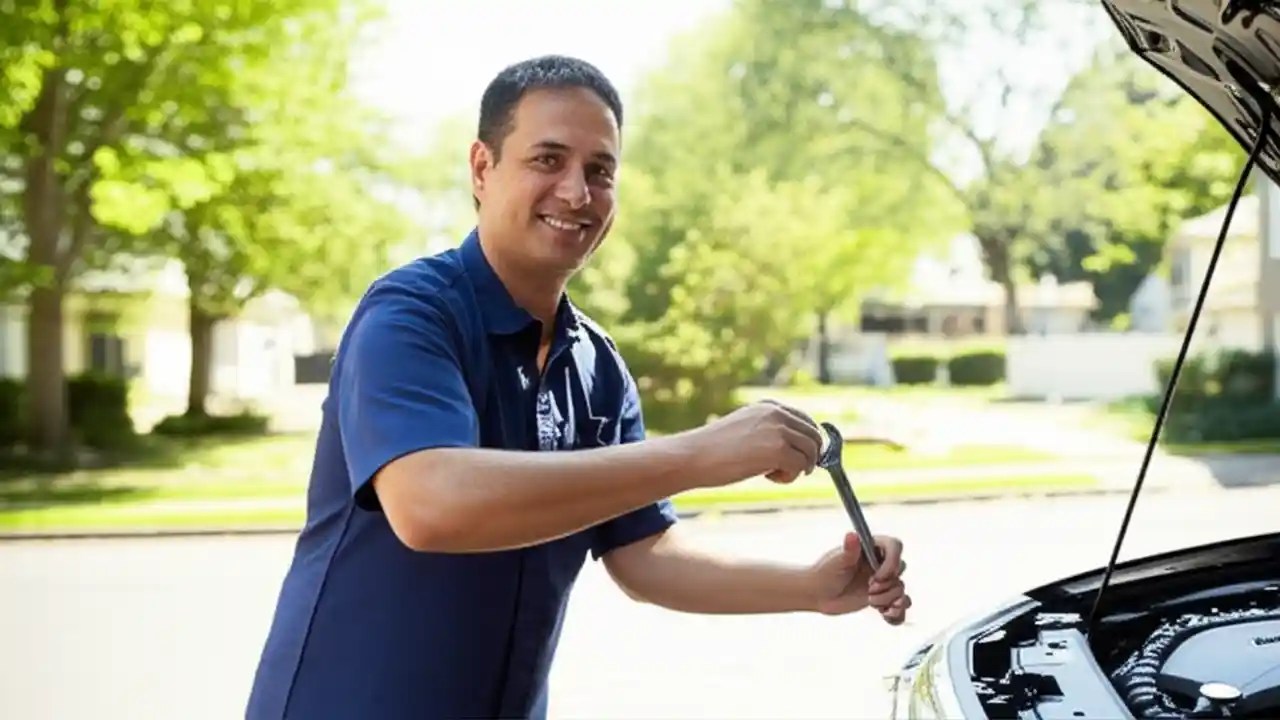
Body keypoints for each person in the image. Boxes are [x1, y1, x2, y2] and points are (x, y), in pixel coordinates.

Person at [245, 54, 911, 720]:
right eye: (547, 160)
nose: (576, 192)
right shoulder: (411, 314)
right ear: (482, 168)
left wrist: (811, 586)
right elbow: (432, 505)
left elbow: (643, 554)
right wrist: (701, 454)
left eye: (600, 171)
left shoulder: (596, 366)